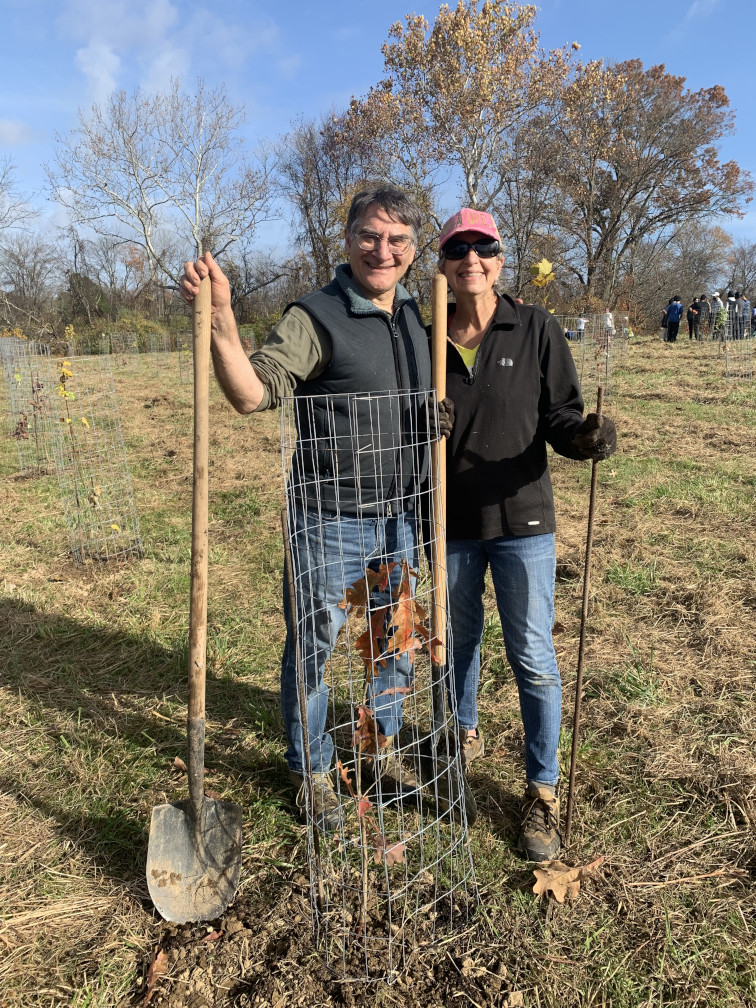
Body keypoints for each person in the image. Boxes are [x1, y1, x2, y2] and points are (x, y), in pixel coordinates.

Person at [180, 184, 440, 833]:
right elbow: (251, 392)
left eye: (397, 240)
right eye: (370, 236)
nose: (382, 250)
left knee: (392, 643)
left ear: (413, 250)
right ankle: (312, 770)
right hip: (330, 517)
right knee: (316, 646)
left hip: (400, 516)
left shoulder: (414, 316)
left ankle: (373, 749)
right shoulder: (315, 315)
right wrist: (222, 326)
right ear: (347, 239)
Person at [435, 208, 617, 862]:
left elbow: (562, 418)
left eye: (482, 248)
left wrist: (584, 438)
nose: (471, 260)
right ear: (444, 264)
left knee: (533, 656)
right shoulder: (428, 339)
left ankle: (541, 791)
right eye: (458, 250)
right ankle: (460, 736)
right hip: (451, 524)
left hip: (522, 523)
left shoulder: (534, 328)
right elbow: (407, 426)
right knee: (456, 645)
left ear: (500, 259)